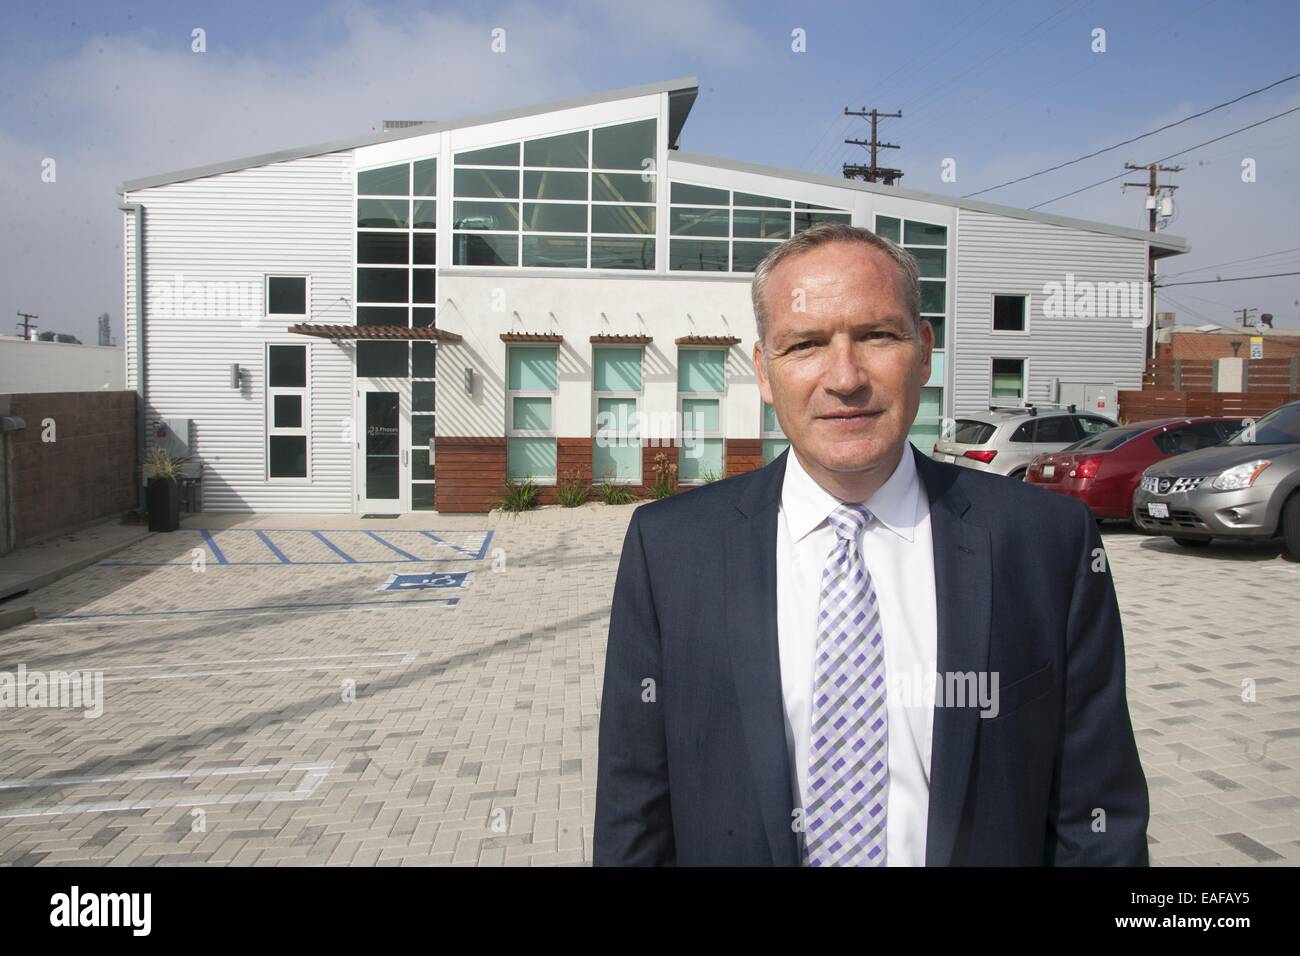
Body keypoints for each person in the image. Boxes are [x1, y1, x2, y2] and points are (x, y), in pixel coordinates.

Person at [593, 222, 1149, 866]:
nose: (845, 377)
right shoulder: (669, 550)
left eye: (877, 335)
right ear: (764, 372)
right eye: (804, 344)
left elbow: (1096, 817)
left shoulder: (1046, 544)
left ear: (924, 349)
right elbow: (634, 810)